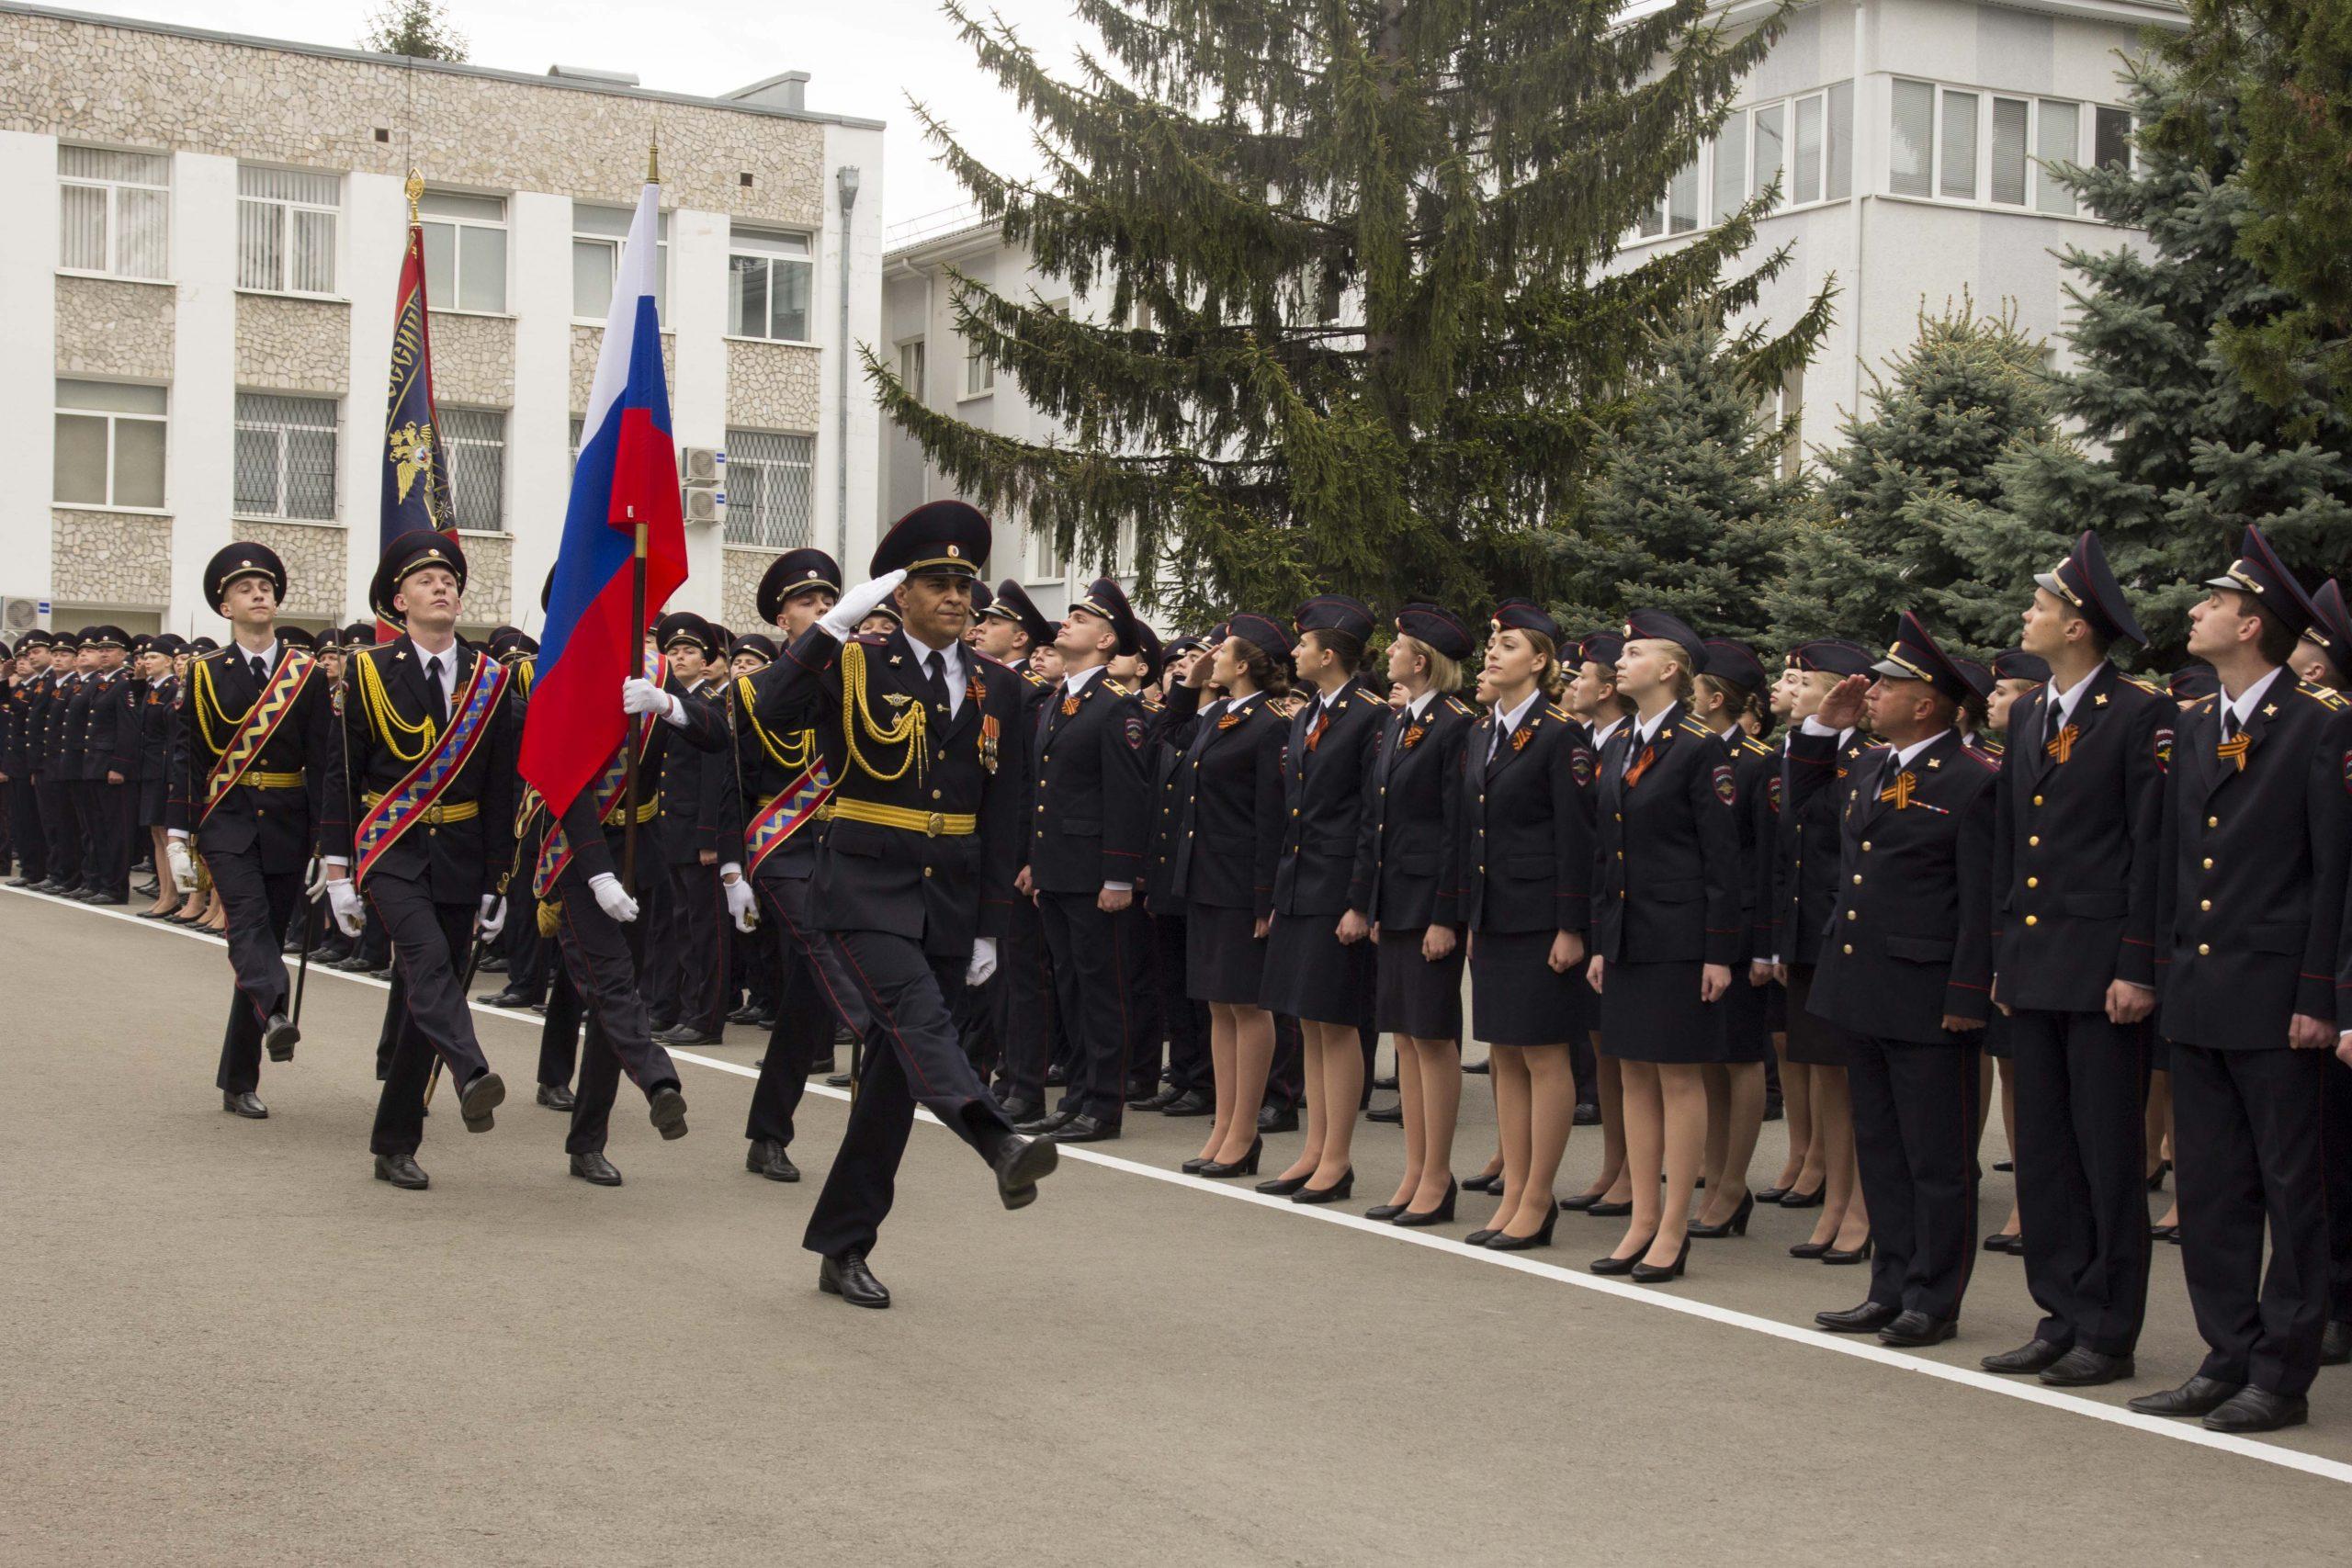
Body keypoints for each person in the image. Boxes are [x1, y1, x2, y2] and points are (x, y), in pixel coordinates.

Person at [743, 501, 1060, 1309]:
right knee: (922, 1020)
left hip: (951, 899)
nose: (957, 597)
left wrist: (991, 923)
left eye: (966, 584)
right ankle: (996, 1138)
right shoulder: (855, 661)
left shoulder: (1000, 688)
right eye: (938, 582)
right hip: (863, 888)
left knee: (891, 1082)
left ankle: (843, 1244)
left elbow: (1005, 812)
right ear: (901, 592)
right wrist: (830, 627)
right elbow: (770, 713)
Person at [2130, 526, 2350, 1435]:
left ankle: (2279, 1372)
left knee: (2292, 1194)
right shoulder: (2192, 728)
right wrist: (2157, 974)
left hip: (2275, 1000)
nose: (2194, 611)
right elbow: (2174, 864)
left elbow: (2334, 875)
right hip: (2202, 994)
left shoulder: (2317, 729)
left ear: (2250, 623)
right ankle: (2225, 1355)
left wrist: (2317, 996)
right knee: (2215, 1191)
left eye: (2211, 602)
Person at [1977, 533, 2166, 1388]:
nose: (2028, 615)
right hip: (2036, 957)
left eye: (2041, 605)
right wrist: (2004, 953)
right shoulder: (2031, 716)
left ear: (2080, 626)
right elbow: (2017, 842)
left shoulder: (2137, 714)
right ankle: (2059, 1310)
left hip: (2100, 967)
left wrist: (2136, 962)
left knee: (2104, 1152)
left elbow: (2149, 847)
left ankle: (2108, 1326)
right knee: (2044, 1150)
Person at [1804, 612, 1997, 1348]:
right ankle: (1889, 1284)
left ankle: (1933, 1297)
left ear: (1927, 702)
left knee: (1938, 1159)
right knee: (1880, 1147)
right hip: (1863, 983)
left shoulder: (1975, 780)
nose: (1872, 692)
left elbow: (1980, 903)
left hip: (1928, 996)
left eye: (1888, 684)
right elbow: (1809, 809)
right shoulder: (1869, 764)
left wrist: (1966, 995)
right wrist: (1824, 729)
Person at [326, 531, 518, 1190]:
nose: (444, 587)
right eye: (428, 580)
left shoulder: (491, 679)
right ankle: (472, 1070)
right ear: (398, 599)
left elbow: (499, 786)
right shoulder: (368, 670)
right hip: (393, 849)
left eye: (450, 580)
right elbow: (342, 775)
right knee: (427, 961)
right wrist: (335, 869)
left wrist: (500, 877)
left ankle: (394, 1142)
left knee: (420, 1000)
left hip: (462, 853)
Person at [514, 626, 715, 1186]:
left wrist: (670, 704)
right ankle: (659, 1080)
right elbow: (565, 783)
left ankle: (587, 1142)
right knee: (610, 983)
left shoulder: (650, 670)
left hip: (642, 851)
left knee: (616, 1000)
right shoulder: (563, 676)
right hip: (579, 855)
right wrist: (598, 871)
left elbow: (717, 735)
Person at [163, 546, 347, 1122]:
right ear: (226, 605)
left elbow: (324, 761)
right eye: (245, 589)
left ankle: (238, 1077)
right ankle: (277, 1011)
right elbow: (188, 759)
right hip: (229, 821)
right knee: (246, 925)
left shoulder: (306, 675)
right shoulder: (202, 675)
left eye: (265, 586)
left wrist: (327, 843)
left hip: (290, 825)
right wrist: (177, 835)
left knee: (263, 938)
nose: (259, 594)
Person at [1589, 611, 1738, 1282]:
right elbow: (1607, 852)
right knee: (1632, 1074)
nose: (1622, 661)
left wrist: (1718, 950)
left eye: (1636, 652)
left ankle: (1675, 1225)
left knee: (1677, 1076)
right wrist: (1600, 939)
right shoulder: (1619, 744)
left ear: (1671, 669)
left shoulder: (1700, 746)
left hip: (1679, 936)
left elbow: (1721, 859)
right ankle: (1641, 1218)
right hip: (1626, 933)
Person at [1459, 600, 1593, 1249]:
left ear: (1540, 660)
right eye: (1492, 644)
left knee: (1543, 1054)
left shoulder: (1560, 731)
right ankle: (1513, 1189)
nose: (1493, 653)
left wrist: (1571, 925)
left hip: (1542, 916)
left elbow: (1576, 835)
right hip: (1495, 912)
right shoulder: (1484, 729)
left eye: (1508, 645)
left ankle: (1539, 1197)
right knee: (1505, 1056)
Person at [1251, 595, 1383, 1199]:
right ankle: (1313, 1149)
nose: (1294, 651)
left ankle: (1338, 1157)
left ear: (1328, 654)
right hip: (1301, 882)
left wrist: (1360, 900)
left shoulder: (1368, 716)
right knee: (1307, 1020)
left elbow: (1370, 817)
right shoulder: (1307, 715)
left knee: (1338, 1021)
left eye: (1303, 644)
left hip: (1337, 887)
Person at [736, 547, 861, 1183]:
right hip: (780, 845)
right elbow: (726, 781)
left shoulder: (860, 676)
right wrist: (731, 870)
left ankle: (767, 1132)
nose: (820, 611)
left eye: (828, 601)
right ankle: (877, 1031)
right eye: (808, 603)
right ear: (783, 618)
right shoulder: (755, 686)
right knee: (819, 941)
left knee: (806, 999)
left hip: (843, 845)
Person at [1014, 578, 1151, 1145]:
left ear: (1105, 641)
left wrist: (1120, 874)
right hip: (1058, 870)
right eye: (1068, 614)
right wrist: (1034, 861)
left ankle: (1104, 1105)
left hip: (1096, 874)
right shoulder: (1057, 701)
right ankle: (1075, 1095)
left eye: (1080, 617)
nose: (1065, 623)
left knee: (1102, 990)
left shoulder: (1116, 708)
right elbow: (1045, 790)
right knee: (1069, 987)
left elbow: (1128, 796)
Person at [1363, 603, 1478, 1224]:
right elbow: (1383, 817)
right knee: (1404, 1039)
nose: (1388, 652)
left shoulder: (1455, 724)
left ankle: (1438, 1174)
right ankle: (1414, 1167)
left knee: (1433, 1039)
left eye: (1398, 644)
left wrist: (1445, 914)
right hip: (1397, 898)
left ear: (1423, 659)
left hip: (1429, 901)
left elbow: (1457, 829)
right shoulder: (1401, 720)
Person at [1169, 615, 1291, 1178]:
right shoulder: (1216, 714)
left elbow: (1273, 818)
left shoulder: (1269, 724)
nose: (1210, 655)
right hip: (1206, 879)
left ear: (1243, 666)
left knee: (1247, 1004)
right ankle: (1223, 1123)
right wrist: (1190, 684)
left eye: (1221, 651)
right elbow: (1165, 742)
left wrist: (1267, 899)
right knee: (1218, 1004)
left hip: (1243, 883)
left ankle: (1245, 1132)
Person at [1773, 639, 1878, 1262]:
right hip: (1811, 934)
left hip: (1851, 937)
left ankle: (1863, 1204)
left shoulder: (1870, 756)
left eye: (1808, 683)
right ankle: (1837, 1198)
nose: (1798, 692)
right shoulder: (1808, 756)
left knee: (1856, 1076)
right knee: (1826, 1079)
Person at [1692, 638, 1776, 1239]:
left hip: (1743, 928)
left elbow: (1770, 861)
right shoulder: (1692, 753)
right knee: (1707, 1058)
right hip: (1696, 924)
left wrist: (1768, 946)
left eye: (1695, 688)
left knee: (1740, 1056)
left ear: (1716, 698)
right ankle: (1714, 1168)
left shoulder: (1756, 761)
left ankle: (1733, 1183)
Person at [970, 577, 1063, 1121]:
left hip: (1014, 851)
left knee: (1023, 975)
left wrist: (1027, 853)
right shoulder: (983, 684)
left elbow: (1031, 783)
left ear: (1021, 637)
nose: (980, 628)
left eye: (994, 623)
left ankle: (1025, 1083)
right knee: (987, 976)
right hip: (982, 847)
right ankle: (990, 1071)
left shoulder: (1028, 695)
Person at [1973, 646, 2050, 1257]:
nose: (1991, 701)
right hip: (2008, 939)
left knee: (2033, 1073)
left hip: (2047, 944)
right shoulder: (2001, 762)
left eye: (2003, 692)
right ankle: (2029, 1188)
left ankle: (2037, 1199)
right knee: (2009, 1067)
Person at [1554, 630, 1631, 1208]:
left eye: (1581, 677)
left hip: (1620, 909)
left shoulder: (1630, 741)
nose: (1571, 684)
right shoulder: (1580, 739)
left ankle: (1632, 1172)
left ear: (1607, 689)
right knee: (1602, 1047)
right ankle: (1612, 1165)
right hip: (1593, 907)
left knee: (1627, 1052)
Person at [1137, 636, 1214, 1118]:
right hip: (1167, 869)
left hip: (1206, 872)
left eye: (1194, 664)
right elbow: (1157, 742)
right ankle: (1184, 1072)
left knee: (1206, 989)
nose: (1184, 670)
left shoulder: (1228, 723)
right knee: (1175, 981)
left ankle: (1208, 1078)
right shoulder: (1176, 725)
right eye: (1176, 666)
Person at [647, 612, 731, 1046]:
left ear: (706, 661)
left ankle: (706, 1017)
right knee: (680, 927)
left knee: (706, 930)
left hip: (699, 839)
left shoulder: (710, 708)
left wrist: (707, 838)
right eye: (673, 651)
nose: (679, 658)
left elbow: (712, 777)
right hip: (671, 834)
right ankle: (679, 1008)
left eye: (689, 651)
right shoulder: (669, 706)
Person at [134, 635, 185, 919]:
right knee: (156, 833)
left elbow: (171, 735)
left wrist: (170, 774)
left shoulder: (172, 688)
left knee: (167, 834)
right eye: (146, 657)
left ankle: (173, 895)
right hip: (151, 767)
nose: (147, 661)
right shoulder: (151, 688)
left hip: (164, 768)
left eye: (153, 657)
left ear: (168, 661)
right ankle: (165, 893)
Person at [4, 631, 52, 890]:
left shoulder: (45, 683)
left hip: (34, 762)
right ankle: (30, 867)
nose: (28, 659)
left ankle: (40, 869)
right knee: (22, 819)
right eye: (24, 655)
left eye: (34, 653)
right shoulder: (24, 685)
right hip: (20, 761)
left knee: (36, 820)